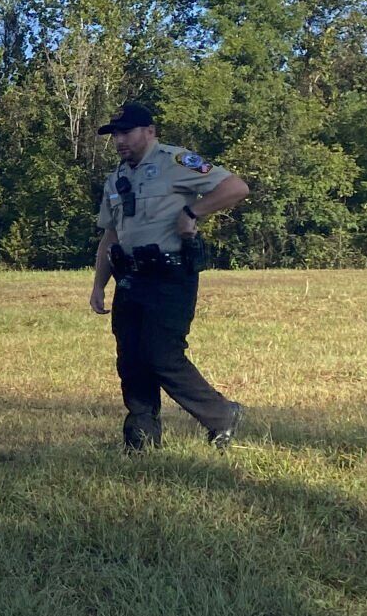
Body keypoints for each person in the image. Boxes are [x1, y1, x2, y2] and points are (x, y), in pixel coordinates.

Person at [89, 101, 250, 451]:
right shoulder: (116, 179)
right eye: (115, 134)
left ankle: (221, 414)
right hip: (129, 278)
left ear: (149, 131)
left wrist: (193, 210)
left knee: (162, 354)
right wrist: (99, 284)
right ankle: (141, 438)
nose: (119, 141)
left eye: (126, 132)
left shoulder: (176, 163)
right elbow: (110, 235)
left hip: (170, 274)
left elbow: (236, 187)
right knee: (131, 357)